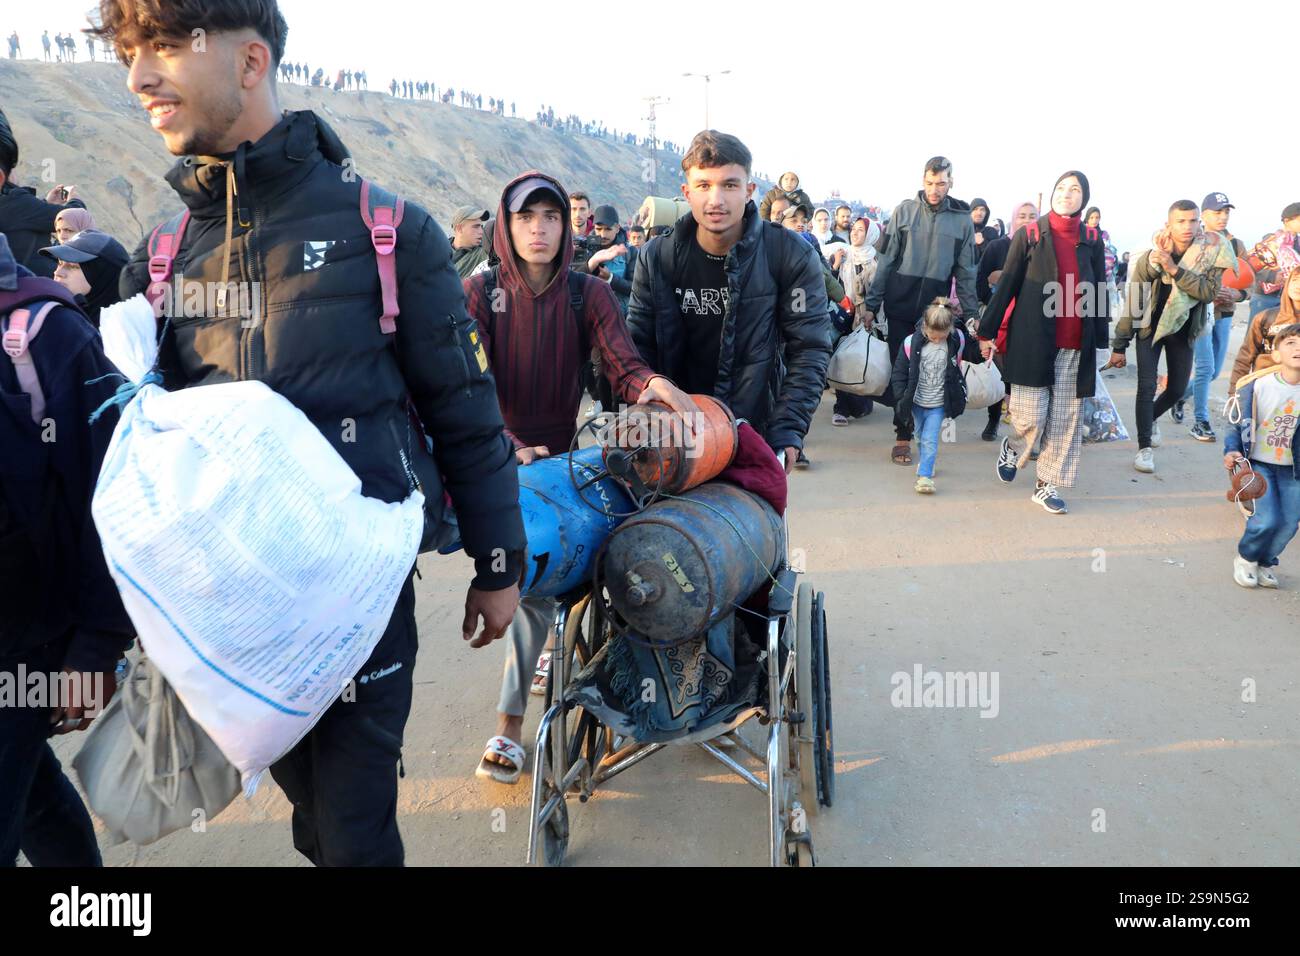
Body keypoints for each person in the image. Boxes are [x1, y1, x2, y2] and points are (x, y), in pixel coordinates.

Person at [94, 0, 525, 866]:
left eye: (169, 46)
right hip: (232, 620)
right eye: (131, 51)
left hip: (360, 607)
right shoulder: (164, 255)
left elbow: (466, 413)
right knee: (314, 826)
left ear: (251, 63)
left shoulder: (389, 230)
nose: (140, 75)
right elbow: (142, 450)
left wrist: (497, 566)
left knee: (355, 831)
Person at [463, 172, 693, 783]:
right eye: (525, 218)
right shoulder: (478, 294)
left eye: (551, 217)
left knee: (609, 560)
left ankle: (602, 684)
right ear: (504, 229)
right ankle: (511, 727)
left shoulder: (586, 294)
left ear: (567, 227)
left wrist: (652, 388)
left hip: (564, 460)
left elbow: (622, 364)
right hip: (493, 463)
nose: (538, 229)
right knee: (531, 582)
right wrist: (508, 445)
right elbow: (470, 388)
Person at [0, 234, 135, 867]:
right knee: (30, 793)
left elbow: (109, 496)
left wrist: (96, 648)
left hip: (22, 638)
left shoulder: (45, 333)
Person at [627, 130, 831, 472]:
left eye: (730, 185)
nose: (716, 200)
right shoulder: (657, 257)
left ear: (750, 191)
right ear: (686, 192)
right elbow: (636, 348)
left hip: (753, 431)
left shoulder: (789, 254)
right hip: (673, 435)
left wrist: (788, 429)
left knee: (752, 526)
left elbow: (810, 348)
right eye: (704, 185)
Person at [979, 171, 1109, 515]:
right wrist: (986, 332)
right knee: (1029, 416)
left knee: (1065, 418)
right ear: (1052, 195)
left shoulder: (1093, 239)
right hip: (1033, 340)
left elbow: (1098, 289)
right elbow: (1007, 284)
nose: (1067, 194)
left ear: (1085, 198)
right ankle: (1013, 445)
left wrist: (1105, 341)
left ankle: (1046, 485)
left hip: (1075, 344)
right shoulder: (1031, 234)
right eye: (1062, 188)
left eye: (1075, 189)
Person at [864, 156, 978, 466]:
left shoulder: (962, 219)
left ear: (951, 182)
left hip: (935, 310)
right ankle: (902, 435)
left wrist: (971, 313)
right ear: (922, 180)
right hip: (899, 303)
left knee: (933, 370)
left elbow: (966, 272)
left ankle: (928, 427)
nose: (934, 189)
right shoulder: (903, 211)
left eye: (941, 183)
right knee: (903, 371)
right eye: (929, 182)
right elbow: (885, 261)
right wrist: (871, 305)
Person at [1110, 200, 1228, 475]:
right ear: (1169, 224)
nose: (1187, 226)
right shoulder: (1150, 258)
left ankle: (1148, 420)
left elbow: (1209, 292)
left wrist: (1175, 270)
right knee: (1147, 386)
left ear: (1199, 223)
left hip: (1183, 330)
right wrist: (1120, 344)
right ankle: (1144, 448)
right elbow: (1135, 303)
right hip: (1149, 329)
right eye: (1181, 221)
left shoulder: (1209, 256)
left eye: (1192, 221)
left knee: (1175, 389)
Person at [1224, 323, 1300, 588]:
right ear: (1276, 353)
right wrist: (1232, 450)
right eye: (1291, 343)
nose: (1298, 348)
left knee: (1290, 523)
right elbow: (1237, 424)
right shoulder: (1257, 386)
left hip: (1293, 469)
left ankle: (1265, 561)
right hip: (1259, 466)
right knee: (1267, 519)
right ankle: (1246, 558)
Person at [891, 297, 986, 493]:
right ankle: (927, 459)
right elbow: (899, 372)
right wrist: (901, 398)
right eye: (932, 336)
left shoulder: (956, 340)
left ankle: (924, 476)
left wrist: (983, 349)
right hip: (916, 402)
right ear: (924, 327)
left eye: (941, 337)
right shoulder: (910, 343)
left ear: (949, 330)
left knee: (930, 438)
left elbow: (972, 354)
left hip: (939, 403)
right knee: (918, 436)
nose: (936, 340)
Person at [1179, 192, 1250, 440]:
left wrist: (1237, 294)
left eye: (1226, 212)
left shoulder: (1235, 245)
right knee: (1205, 366)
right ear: (1204, 215)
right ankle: (1201, 421)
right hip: (1198, 314)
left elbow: (1248, 284)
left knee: (1214, 372)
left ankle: (1178, 397)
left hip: (1225, 313)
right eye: (1217, 212)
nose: (1222, 217)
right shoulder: (1192, 241)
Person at [0, 110, 88, 279]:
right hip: (39, 287)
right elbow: (73, 218)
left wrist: (46, 202)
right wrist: (75, 200)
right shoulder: (14, 202)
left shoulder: (17, 206)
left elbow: (23, 221)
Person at [976, 200, 1038, 440]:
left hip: (1031, 320)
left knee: (1024, 374)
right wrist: (993, 292)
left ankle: (1025, 428)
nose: (1027, 219)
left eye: (1032, 215)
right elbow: (980, 278)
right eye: (1022, 215)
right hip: (1000, 319)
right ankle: (993, 421)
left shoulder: (1044, 248)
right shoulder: (998, 247)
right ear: (1014, 218)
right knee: (998, 372)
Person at [39, 229, 129, 328]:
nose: (58, 272)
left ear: (102, 275)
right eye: (60, 263)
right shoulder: (51, 310)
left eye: (73, 266)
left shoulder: (121, 330)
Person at [1230, 270, 1300, 393]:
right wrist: (1235, 392)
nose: (1298, 285)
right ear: (1288, 284)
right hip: (1265, 387)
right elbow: (1245, 357)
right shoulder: (1266, 318)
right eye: (1295, 280)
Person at [1247, 203, 1300, 319]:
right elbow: (1252, 266)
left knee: (1283, 335)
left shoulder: (1298, 244)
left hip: (1288, 298)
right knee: (1256, 332)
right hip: (1264, 296)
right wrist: (1273, 276)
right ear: (1287, 221)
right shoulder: (1271, 239)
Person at [582, 204, 638, 312]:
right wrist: (592, 263)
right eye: (599, 229)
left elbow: (635, 289)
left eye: (608, 229)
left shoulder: (630, 251)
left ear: (617, 228)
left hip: (619, 316)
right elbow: (571, 283)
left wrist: (610, 278)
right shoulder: (584, 248)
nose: (603, 234)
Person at [449, 205, 490, 278]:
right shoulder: (438, 249)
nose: (481, 231)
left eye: (481, 227)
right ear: (459, 228)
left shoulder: (484, 252)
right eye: (476, 227)